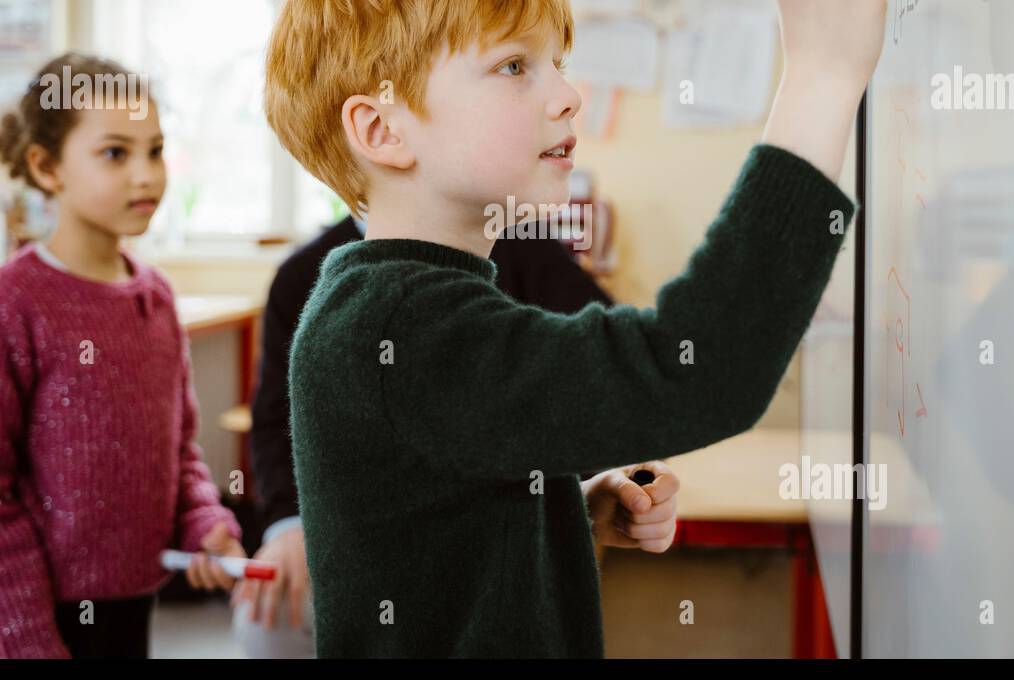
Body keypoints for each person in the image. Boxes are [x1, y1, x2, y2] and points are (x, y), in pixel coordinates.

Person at [261, 0, 885, 656]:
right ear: (384, 132)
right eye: (515, 66)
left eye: (558, 62)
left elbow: (435, 536)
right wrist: (821, 77)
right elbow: (695, 370)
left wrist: (570, 513)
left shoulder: (408, 299)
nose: (568, 95)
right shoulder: (397, 324)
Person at [233, 212, 682, 656]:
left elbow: (603, 367)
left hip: (488, 552)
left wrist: (585, 491)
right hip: (363, 547)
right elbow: (274, 417)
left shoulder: (522, 246)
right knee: (264, 624)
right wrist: (287, 525)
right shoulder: (304, 276)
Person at [0, 53, 246, 658]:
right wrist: (28, 645)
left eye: (154, 151)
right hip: (23, 626)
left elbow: (177, 451)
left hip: (127, 613)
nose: (146, 176)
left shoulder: (154, 297)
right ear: (46, 167)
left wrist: (205, 525)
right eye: (115, 153)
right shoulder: (5, 304)